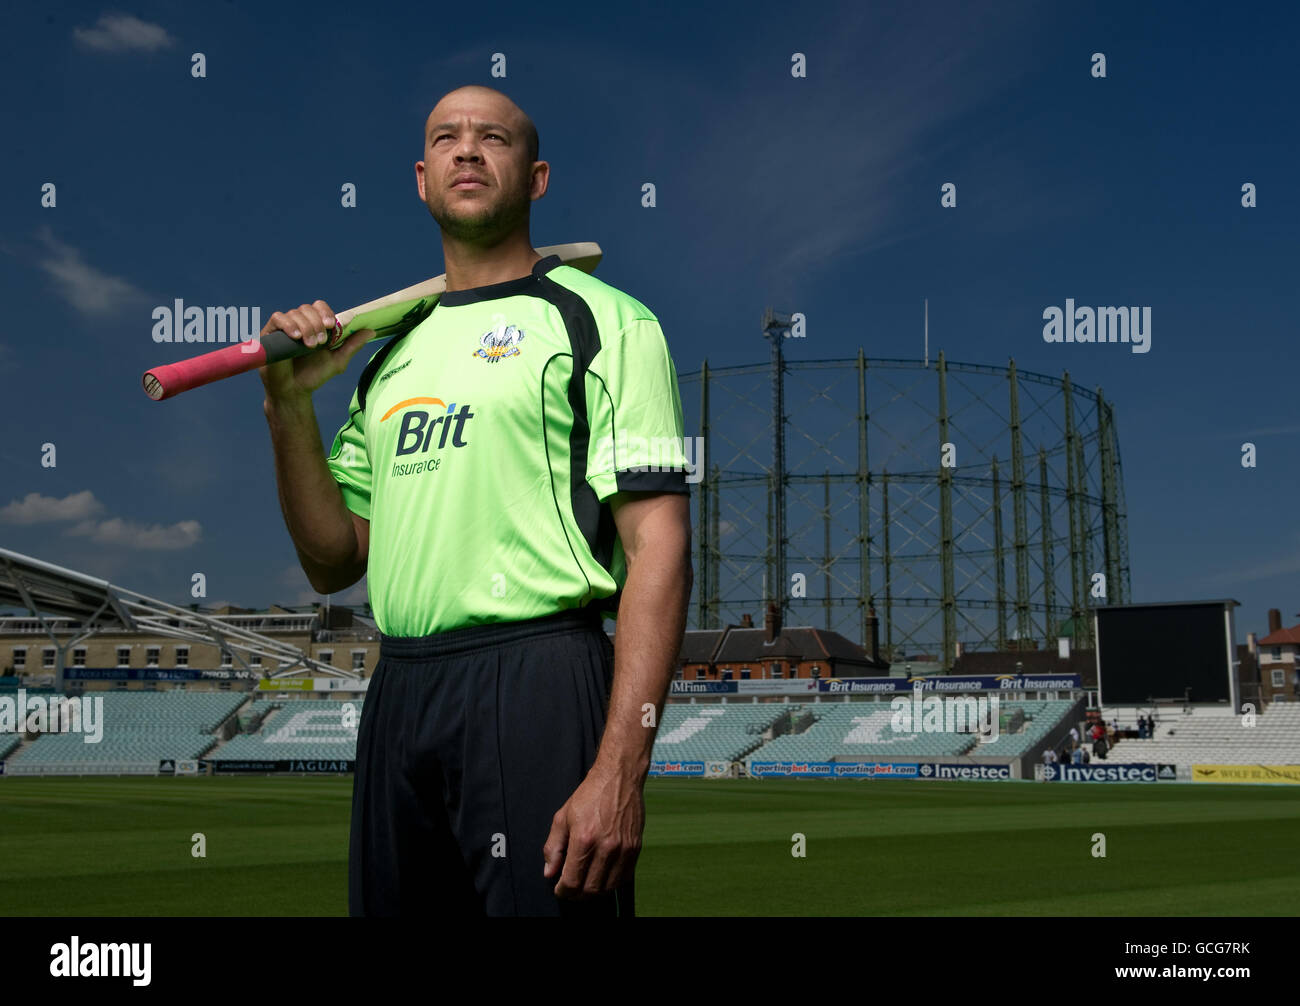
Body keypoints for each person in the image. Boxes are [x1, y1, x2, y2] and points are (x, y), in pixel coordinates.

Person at [258, 85, 692, 917]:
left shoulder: (606, 322)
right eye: (446, 139)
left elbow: (659, 549)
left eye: (492, 137)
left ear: (535, 177)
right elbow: (332, 559)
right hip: (401, 688)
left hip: (538, 677)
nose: (467, 150)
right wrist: (289, 406)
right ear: (421, 179)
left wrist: (620, 771)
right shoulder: (388, 356)